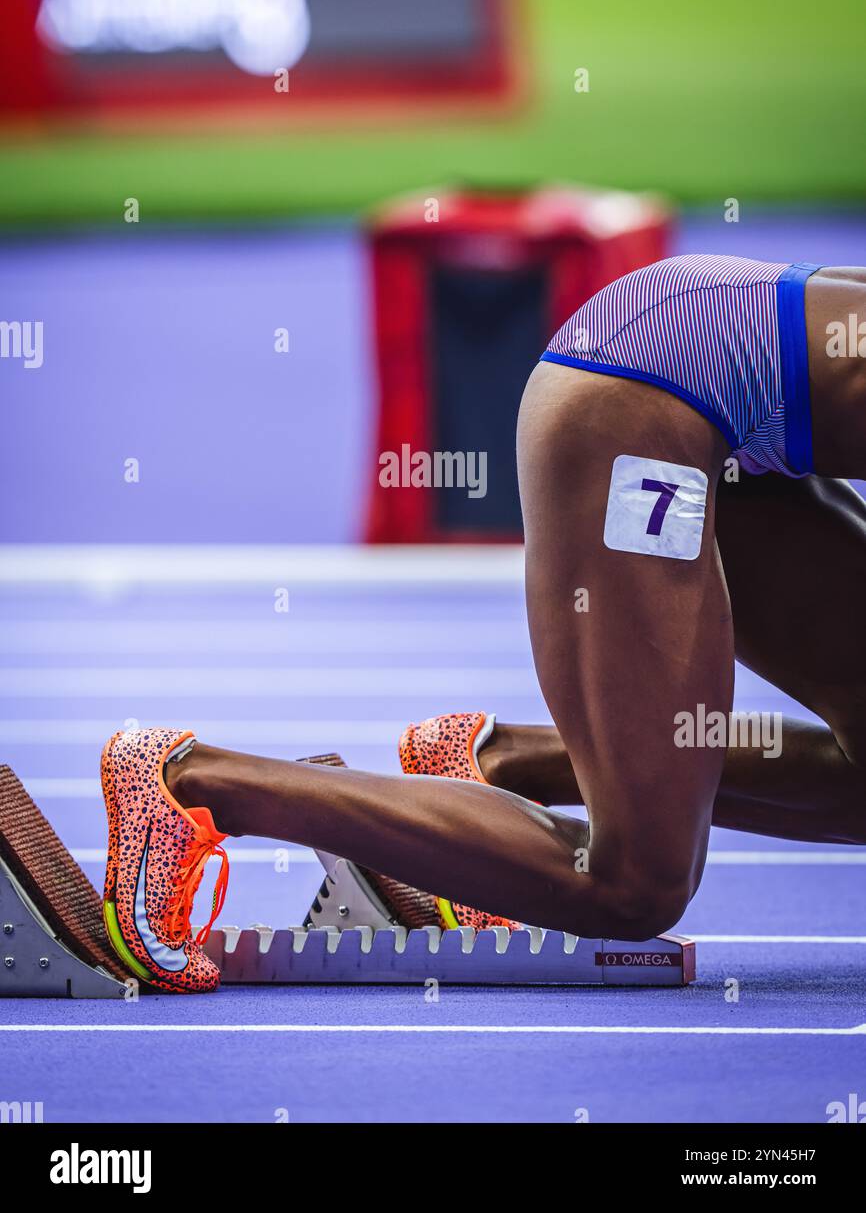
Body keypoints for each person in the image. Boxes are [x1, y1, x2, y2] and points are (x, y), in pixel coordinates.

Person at [100, 255, 866, 992]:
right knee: (635, 885)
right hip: (644, 400)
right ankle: (193, 785)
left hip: (724, 380)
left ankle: (494, 764)